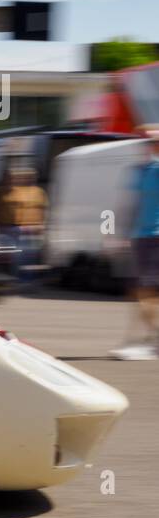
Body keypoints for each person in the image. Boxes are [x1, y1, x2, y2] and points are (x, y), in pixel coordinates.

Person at [112, 125, 159, 359]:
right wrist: (118, 233)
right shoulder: (140, 171)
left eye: (149, 143)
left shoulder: (152, 170)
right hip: (142, 237)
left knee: (144, 292)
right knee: (143, 293)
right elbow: (126, 206)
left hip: (151, 237)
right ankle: (143, 341)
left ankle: (151, 342)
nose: (146, 147)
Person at [0, 165, 47, 283]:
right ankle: (10, 278)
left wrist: (40, 224)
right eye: (7, 177)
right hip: (7, 227)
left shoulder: (37, 192)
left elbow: (40, 209)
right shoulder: (0, 192)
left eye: (32, 177)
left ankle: (26, 279)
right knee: (10, 256)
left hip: (27, 228)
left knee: (27, 255)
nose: (29, 179)